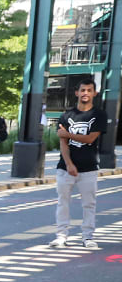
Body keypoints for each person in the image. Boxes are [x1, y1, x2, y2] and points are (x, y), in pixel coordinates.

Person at [51, 78, 104, 250]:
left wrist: (67, 134)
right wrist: (69, 164)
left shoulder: (99, 115)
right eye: (83, 90)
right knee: (63, 201)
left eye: (89, 90)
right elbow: (62, 143)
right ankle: (61, 236)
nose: (85, 93)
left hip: (89, 167)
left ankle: (88, 237)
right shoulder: (66, 116)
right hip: (65, 168)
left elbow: (90, 138)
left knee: (89, 204)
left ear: (94, 93)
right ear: (77, 93)